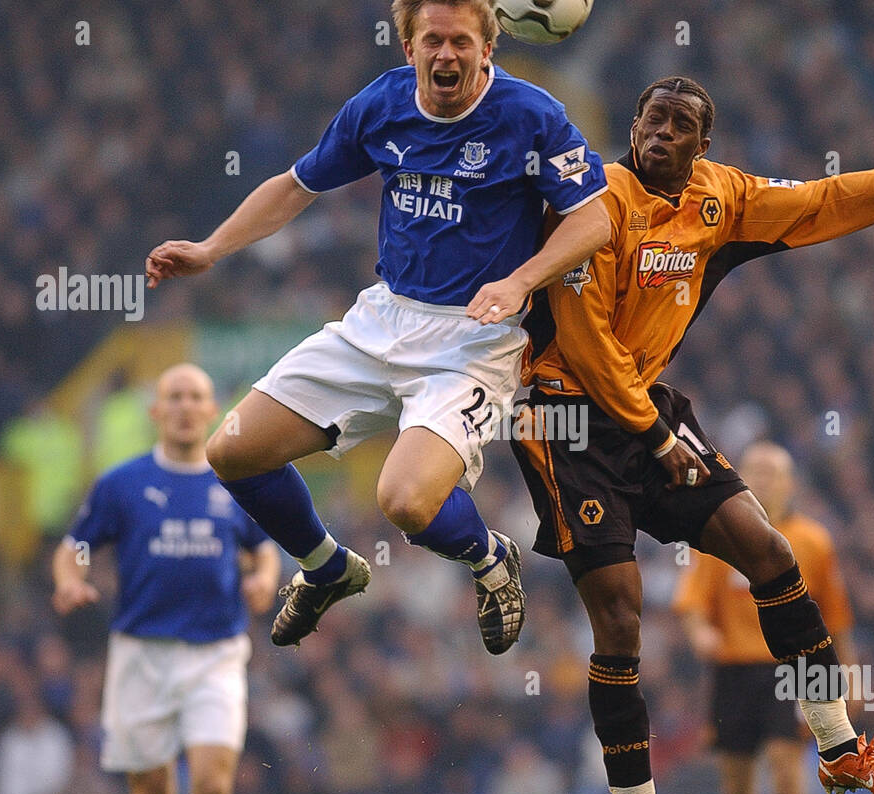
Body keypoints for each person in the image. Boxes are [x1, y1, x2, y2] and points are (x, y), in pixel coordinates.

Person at [496, 75, 874, 794]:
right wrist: (657, 437)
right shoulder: (594, 201)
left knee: (770, 549)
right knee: (621, 617)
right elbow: (586, 335)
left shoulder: (720, 200)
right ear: (633, 127)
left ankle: (838, 747)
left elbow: (823, 201)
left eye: (680, 126)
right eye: (652, 120)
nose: (662, 134)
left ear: (703, 146)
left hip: (646, 406)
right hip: (565, 417)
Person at [144, 0, 610, 656]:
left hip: (474, 341)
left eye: (460, 42)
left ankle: (489, 558)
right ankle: (327, 567)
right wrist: (210, 249)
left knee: (407, 503)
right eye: (432, 41)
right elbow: (295, 185)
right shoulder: (381, 104)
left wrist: (521, 280)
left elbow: (595, 219)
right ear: (408, 47)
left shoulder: (531, 115)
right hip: (381, 319)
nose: (446, 54)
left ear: (488, 50)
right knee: (232, 453)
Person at [52, 364, 281, 794]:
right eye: (174, 397)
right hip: (141, 655)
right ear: (156, 411)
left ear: (213, 410)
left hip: (216, 653)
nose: (185, 407)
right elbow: (75, 545)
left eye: (195, 397)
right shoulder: (122, 484)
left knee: (213, 786)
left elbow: (263, 545)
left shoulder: (236, 481)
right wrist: (71, 581)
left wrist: (264, 577)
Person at [674, 442, 853, 794]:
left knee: (785, 768)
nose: (762, 479)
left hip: (790, 669)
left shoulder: (814, 541)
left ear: (789, 484)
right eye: (754, 470)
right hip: (734, 671)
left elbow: (836, 619)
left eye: (772, 472)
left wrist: (848, 679)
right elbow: (692, 603)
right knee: (737, 791)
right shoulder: (718, 537)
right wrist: (699, 631)